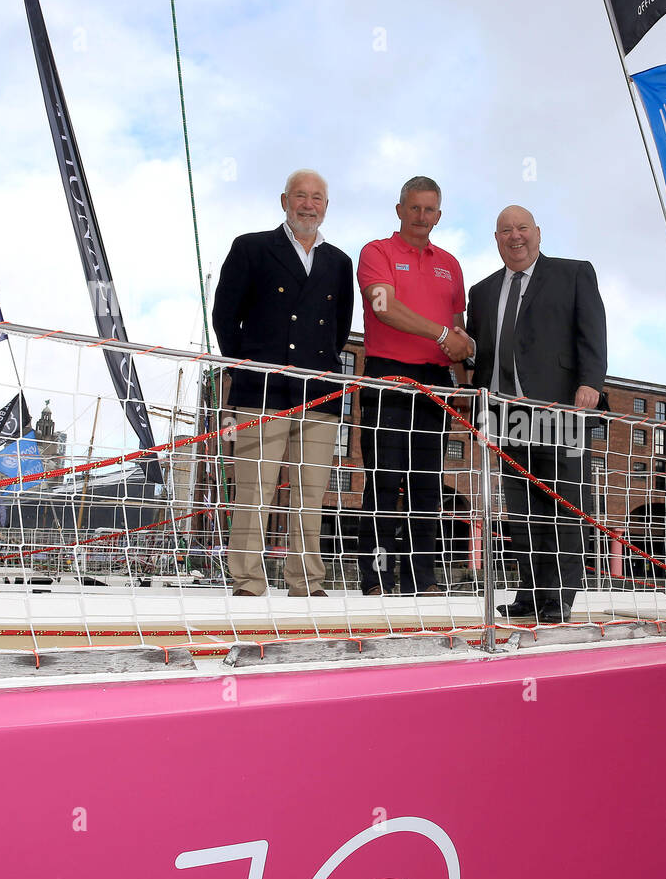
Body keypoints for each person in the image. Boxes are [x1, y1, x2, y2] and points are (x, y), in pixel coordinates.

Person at [212, 169, 353, 597]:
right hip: (261, 390)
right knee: (255, 488)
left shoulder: (340, 262)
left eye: (317, 198)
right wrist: (249, 365)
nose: (308, 204)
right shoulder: (251, 247)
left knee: (311, 493)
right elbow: (224, 316)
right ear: (284, 201)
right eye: (300, 196)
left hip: (319, 394)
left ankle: (306, 581)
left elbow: (339, 331)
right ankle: (248, 582)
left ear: (326, 206)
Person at [466, 205, 607, 623]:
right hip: (505, 415)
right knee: (522, 509)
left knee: (565, 504)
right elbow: (482, 356)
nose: (515, 236)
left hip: (560, 407)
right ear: (496, 239)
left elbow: (592, 331)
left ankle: (559, 596)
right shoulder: (483, 291)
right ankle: (529, 593)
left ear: (538, 233)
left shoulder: (574, 273)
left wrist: (591, 382)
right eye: (505, 230)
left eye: (522, 228)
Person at [356, 176, 472, 596]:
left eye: (430, 210)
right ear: (400, 209)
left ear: (438, 215)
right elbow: (383, 306)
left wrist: (466, 377)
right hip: (388, 375)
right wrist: (442, 334)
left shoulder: (451, 264)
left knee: (427, 485)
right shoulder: (377, 252)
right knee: (384, 481)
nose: (422, 216)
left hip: (437, 383)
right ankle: (376, 579)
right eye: (415, 207)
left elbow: (459, 334)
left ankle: (422, 581)